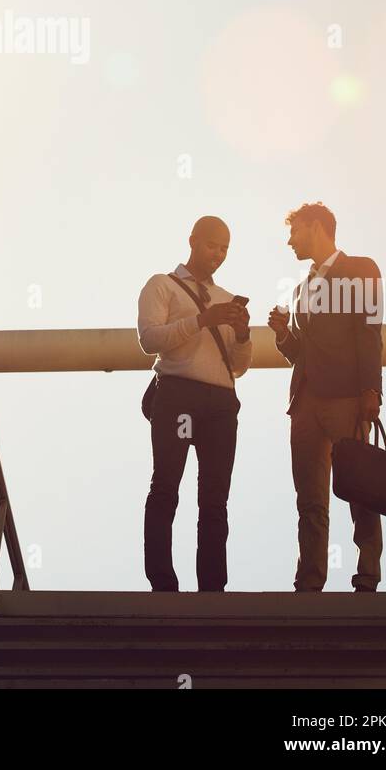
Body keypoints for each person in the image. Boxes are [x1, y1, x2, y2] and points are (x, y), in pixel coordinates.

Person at [268, 202, 384, 592]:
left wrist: (371, 390)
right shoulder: (301, 288)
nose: (289, 241)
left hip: (347, 397)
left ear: (316, 227)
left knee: (359, 484)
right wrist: (285, 335)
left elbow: (369, 332)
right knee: (310, 497)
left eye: (295, 231)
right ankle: (310, 580)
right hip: (304, 403)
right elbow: (303, 353)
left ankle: (367, 572)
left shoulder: (361, 269)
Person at [138, 215, 252, 592]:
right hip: (179, 399)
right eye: (212, 246)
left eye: (225, 250)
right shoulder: (162, 285)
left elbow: (238, 366)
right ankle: (162, 582)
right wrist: (202, 320)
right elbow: (150, 339)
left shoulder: (225, 299)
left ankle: (213, 589)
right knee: (167, 484)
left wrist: (241, 332)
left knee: (215, 498)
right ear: (192, 240)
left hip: (221, 403)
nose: (218, 255)